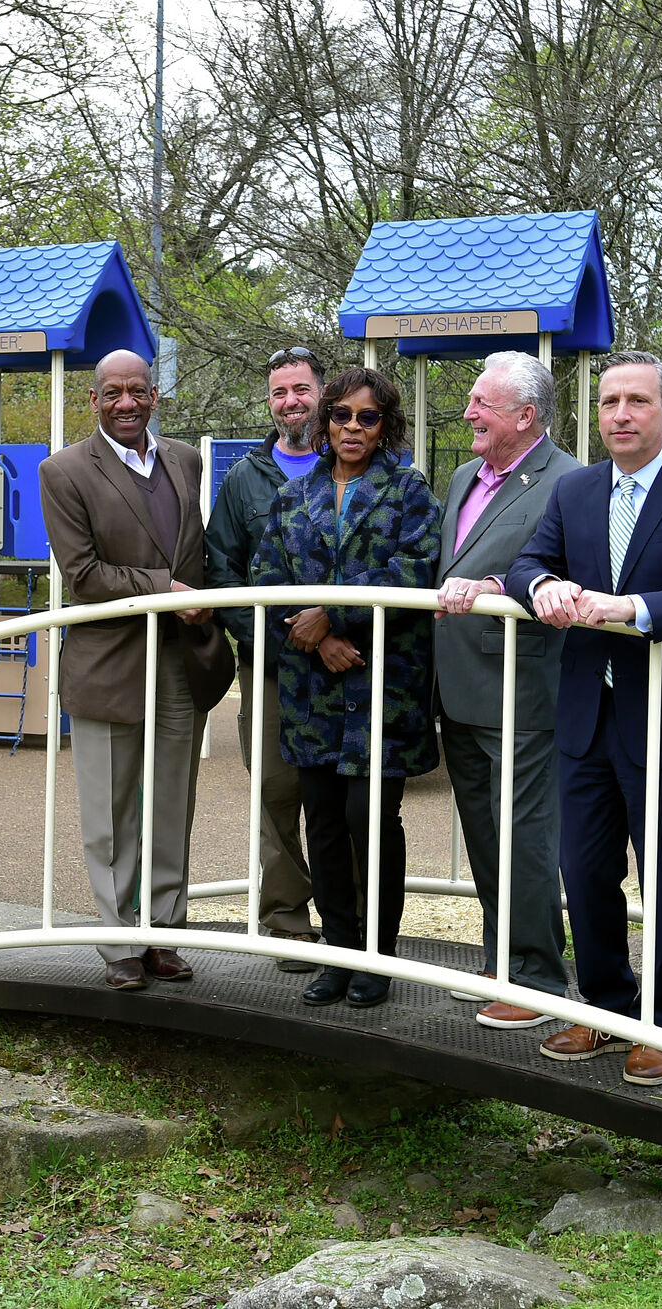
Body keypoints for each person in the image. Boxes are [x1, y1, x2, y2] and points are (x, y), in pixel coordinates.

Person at [504, 350, 662, 1085]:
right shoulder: (575, 490)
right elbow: (526, 565)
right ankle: (607, 1007)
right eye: (609, 401)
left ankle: (661, 1024)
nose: (620, 414)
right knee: (583, 871)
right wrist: (542, 587)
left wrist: (632, 609)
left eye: (637, 401)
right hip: (587, 713)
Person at [40, 349, 238, 991]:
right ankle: (119, 940)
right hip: (110, 665)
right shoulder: (64, 471)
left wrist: (203, 605)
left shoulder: (184, 459)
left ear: (154, 395)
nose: (126, 403)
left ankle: (164, 932)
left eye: (138, 391)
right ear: (94, 400)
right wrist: (167, 590)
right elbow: (83, 575)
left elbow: (196, 550)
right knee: (110, 813)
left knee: (172, 803)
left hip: (181, 660)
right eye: (113, 393)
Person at [251, 365, 442, 1009]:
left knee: (372, 821)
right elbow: (266, 579)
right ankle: (337, 952)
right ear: (324, 421)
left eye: (367, 417)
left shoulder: (409, 490)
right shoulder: (291, 497)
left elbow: (415, 569)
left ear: (386, 426)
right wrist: (317, 637)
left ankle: (377, 957)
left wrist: (335, 616)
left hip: (383, 685)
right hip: (312, 689)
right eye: (341, 415)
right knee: (325, 823)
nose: (352, 428)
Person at [431, 352, 581, 1029]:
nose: (468, 412)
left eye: (481, 404)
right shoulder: (464, 476)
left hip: (522, 688)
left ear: (525, 415)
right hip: (459, 686)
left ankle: (537, 978)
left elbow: (563, 572)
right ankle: (501, 962)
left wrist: (495, 587)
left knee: (525, 838)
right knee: (486, 837)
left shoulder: (569, 482)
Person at [204, 346, 325, 971]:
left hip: (348, 664)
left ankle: (351, 920)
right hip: (272, 666)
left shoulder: (353, 461)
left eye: (301, 389)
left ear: (322, 394)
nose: (290, 402)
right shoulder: (244, 479)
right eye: (280, 392)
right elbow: (220, 567)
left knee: (344, 791)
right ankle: (286, 919)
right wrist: (272, 641)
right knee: (276, 791)